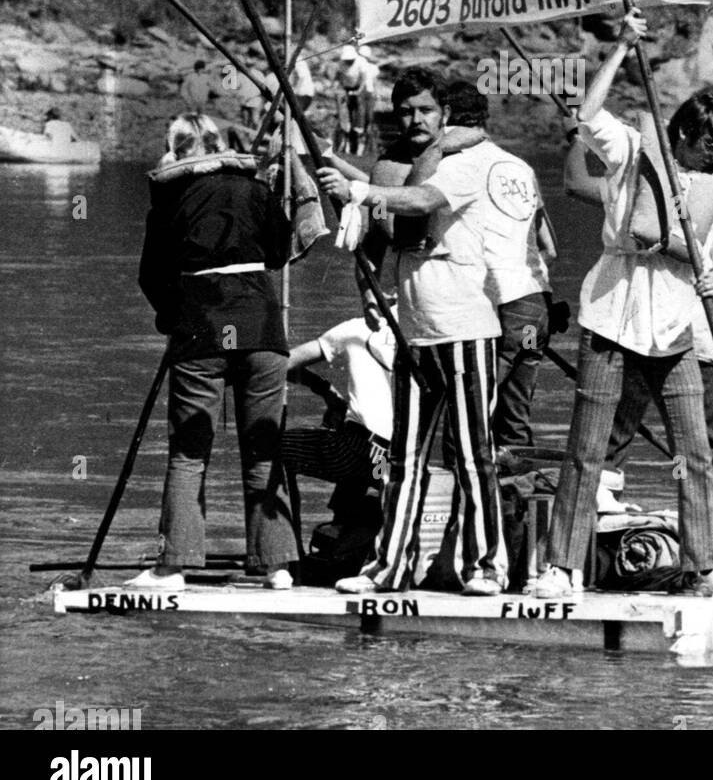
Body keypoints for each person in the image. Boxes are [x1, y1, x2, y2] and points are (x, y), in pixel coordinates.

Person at [534, 10, 713, 600]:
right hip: (611, 309)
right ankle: (561, 566)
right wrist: (622, 47)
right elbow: (586, 115)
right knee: (586, 448)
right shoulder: (631, 149)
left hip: (672, 324)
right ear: (688, 134)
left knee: (694, 450)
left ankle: (706, 564)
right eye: (710, 146)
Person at [317, 68, 507, 597]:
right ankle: (389, 568)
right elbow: (389, 229)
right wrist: (354, 196)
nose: (415, 120)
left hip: (466, 325)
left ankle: (485, 567)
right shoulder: (399, 163)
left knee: (473, 453)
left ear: (445, 113)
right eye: (405, 112)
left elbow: (420, 204)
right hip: (415, 331)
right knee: (404, 459)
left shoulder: (464, 162)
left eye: (425, 110)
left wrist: (357, 187)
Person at [131, 113, 298, 591]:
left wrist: (171, 316)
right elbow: (280, 252)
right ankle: (278, 564)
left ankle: (174, 566)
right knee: (263, 448)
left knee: (188, 453)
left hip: (201, 329)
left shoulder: (170, 197)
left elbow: (151, 276)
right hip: (263, 327)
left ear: (177, 152)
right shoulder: (258, 189)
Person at [604, 89, 713, 551]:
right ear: (684, 135)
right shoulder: (647, 174)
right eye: (711, 145)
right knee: (613, 432)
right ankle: (600, 526)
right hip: (634, 324)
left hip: (693, 334)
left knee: (703, 444)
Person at [442, 80, 556, 451]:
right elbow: (549, 248)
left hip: (500, 308)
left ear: (445, 118)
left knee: (468, 415)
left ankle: (466, 504)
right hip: (535, 307)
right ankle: (518, 503)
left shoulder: (455, 166)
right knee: (513, 417)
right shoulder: (518, 166)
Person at [284, 318, 394, 526]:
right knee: (367, 470)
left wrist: (324, 390)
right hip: (390, 460)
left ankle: (288, 551)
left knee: (278, 449)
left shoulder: (357, 328)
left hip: (359, 452)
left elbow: (282, 365)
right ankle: (343, 531)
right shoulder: (424, 328)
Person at [337, 44, 379, 154]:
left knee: (366, 119)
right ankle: (349, 140)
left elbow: (368, 82)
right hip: (352, 90)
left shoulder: (369, 66)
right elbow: (341, 78)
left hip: (365, 93)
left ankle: (363, 142)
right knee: (349, 115)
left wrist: (360, 92)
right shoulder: (345, 65)